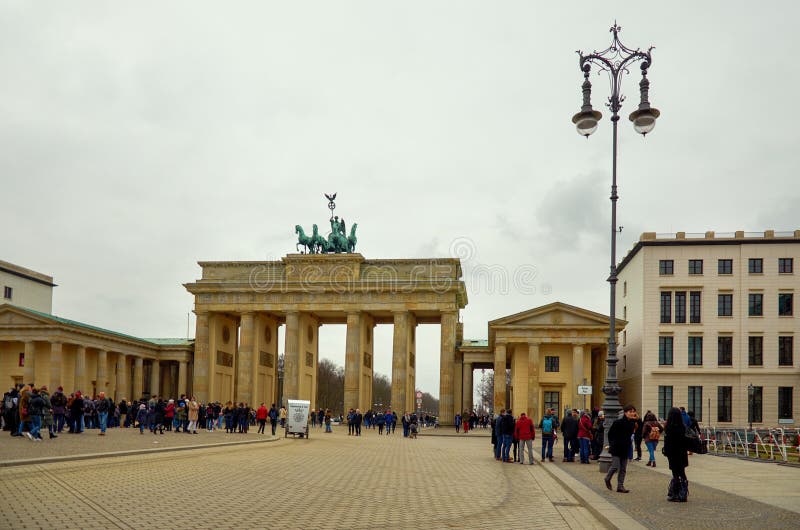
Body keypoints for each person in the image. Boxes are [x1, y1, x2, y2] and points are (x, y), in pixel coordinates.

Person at [604, 404, 637, 493]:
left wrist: (636, 419)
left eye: (633, 412)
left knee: (623, 468)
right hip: (616, 447)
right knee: (615, 466)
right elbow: (610, 434)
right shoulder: (618, 422)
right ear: (625, 413)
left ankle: (620, 486)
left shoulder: (632, 423)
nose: (632, 413)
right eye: (630, 412)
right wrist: (612, 444)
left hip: (626, 447)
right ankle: (607, 478)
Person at [664, 407, 690, 502]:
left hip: (673, 454)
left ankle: (675, 493)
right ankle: (683, 493)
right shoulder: (682, 427)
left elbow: (667, 442)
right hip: (682, 453)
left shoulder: (669, 428)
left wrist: (665, 452)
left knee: (675, 473)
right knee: (682, 472)